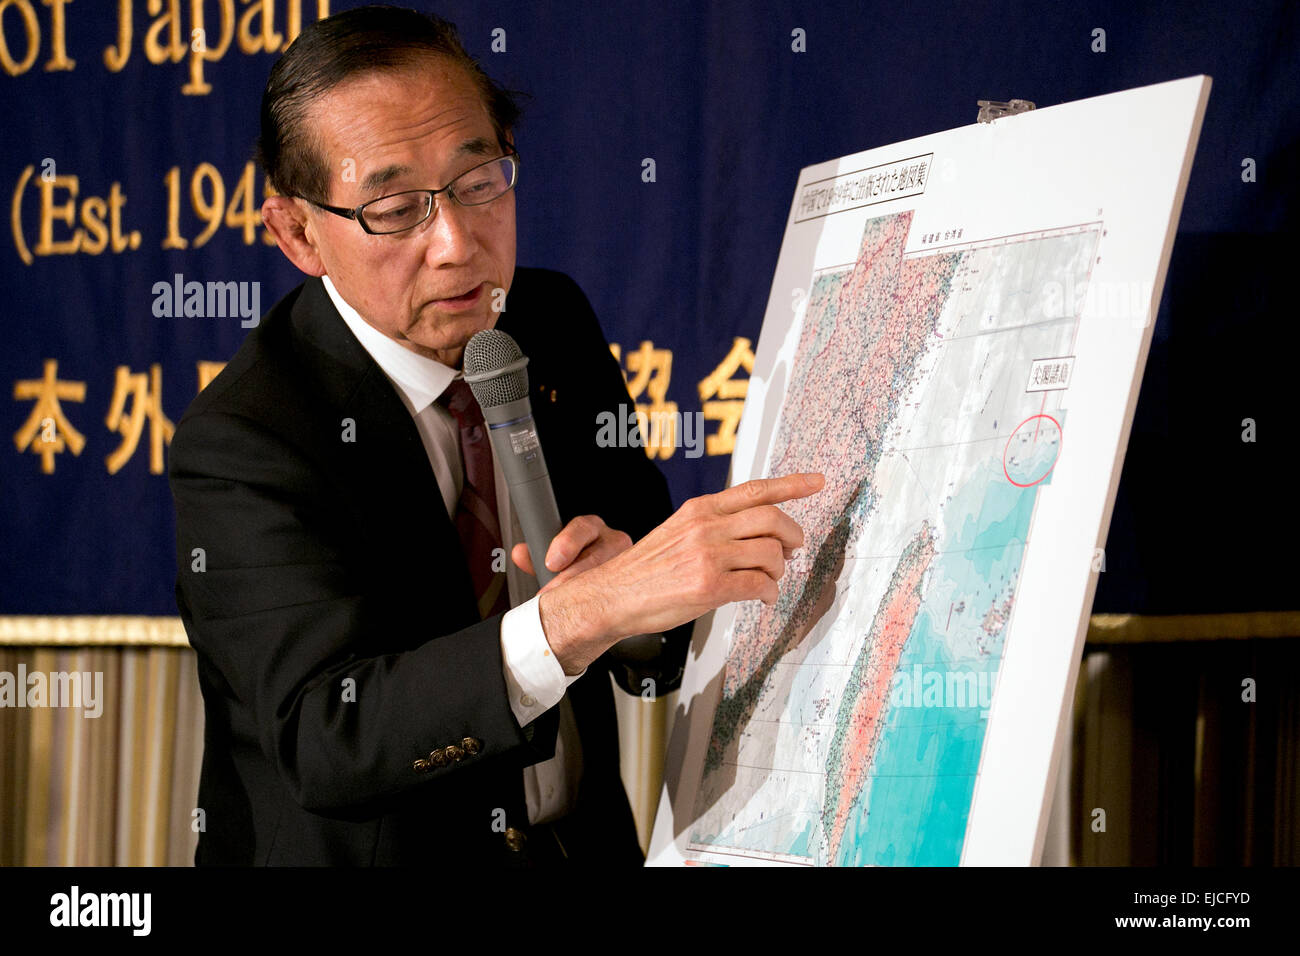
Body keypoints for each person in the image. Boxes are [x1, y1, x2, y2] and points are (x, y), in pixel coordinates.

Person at [168, 5, 821, 866]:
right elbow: (329, 737)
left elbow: (647, 632)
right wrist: (576, 616)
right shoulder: (245, 440)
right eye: (397, 209)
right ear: (297, 232)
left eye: (480, 184)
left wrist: (636, 613)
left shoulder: (548, 322)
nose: (456, 244)